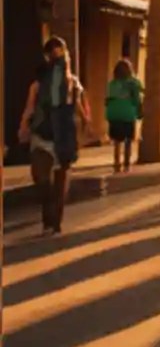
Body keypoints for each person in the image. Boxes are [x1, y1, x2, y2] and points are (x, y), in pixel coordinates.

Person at [18, 37, 92, 236]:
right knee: (42, 180)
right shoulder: (38, 84)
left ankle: (54, 222)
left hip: (62, 137)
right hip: (42, 135)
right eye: (53, 54)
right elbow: (30, 107)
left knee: (59, 183)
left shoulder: (73, 83)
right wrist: (24, 126)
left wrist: (84, 125)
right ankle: (49, 218)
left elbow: (79, 107)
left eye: (60, 54)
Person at [104, 58, 143, 173]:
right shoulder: (133, 83)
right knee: (128, 140)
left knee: (117, 140)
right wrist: (139, 112)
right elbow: (137, 98)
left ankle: (116, 163)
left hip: (114, 113)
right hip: (128, 113)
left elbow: (107, 100)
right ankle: (126, 163)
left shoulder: (112, 84)